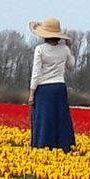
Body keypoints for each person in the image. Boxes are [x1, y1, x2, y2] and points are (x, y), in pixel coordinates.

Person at [28, 17, 76, 151]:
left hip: (44, 88)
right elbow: (71, 66)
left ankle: (42, 144)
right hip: (59, 87)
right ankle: (63, 146)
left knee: (44, 119)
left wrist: (32, 93)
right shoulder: (64, 49)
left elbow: (36, 73)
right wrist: (69, 48)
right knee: (60, 118)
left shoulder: (40, 49)